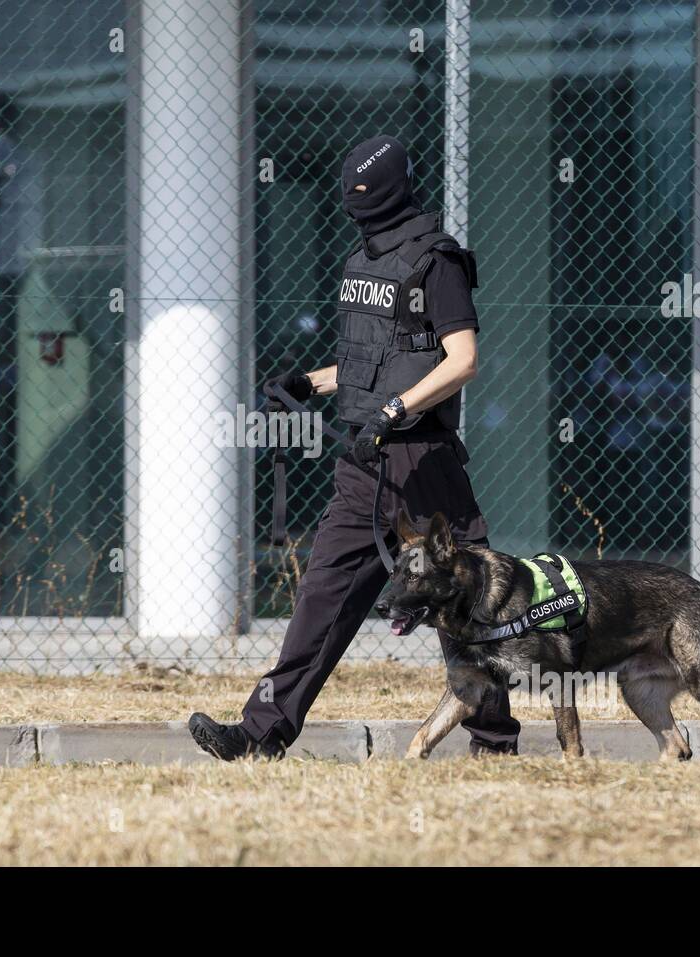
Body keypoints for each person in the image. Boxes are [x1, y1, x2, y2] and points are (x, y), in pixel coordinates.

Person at [188, 135, 520, 759]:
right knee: (324, 595)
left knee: (465, 600)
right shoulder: (363, 261)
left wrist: (396, 411)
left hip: (423, 460)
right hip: (365, 460)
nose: (355, 204)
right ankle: (259, 735)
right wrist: (309, 383)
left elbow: (463, 360)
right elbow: (379, 363)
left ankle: (494, 743)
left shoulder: (437, 261)